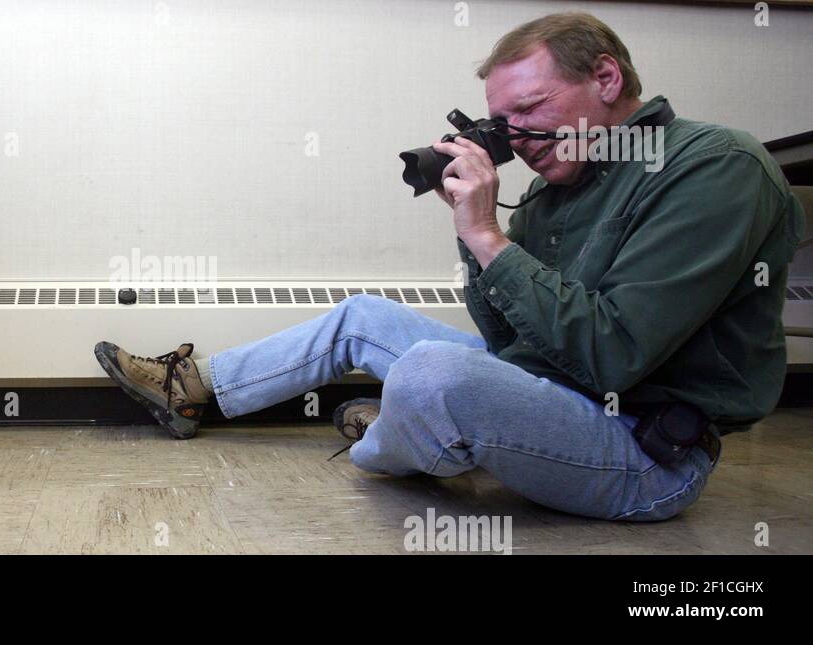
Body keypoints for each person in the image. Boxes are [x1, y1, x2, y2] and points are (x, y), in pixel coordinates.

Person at [94, 13, 805, 521]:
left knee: (435, 370)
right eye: (505, 122)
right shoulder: (562, 185)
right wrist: (470, 230)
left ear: (607, 78)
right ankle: (194, 388)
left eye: (532, 108)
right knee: (365, 316)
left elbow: (613, 355)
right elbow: (505, 344)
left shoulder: (715, 168)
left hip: (643, 454)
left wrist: (492, 236)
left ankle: (398, 439)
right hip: (553, 391)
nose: (518, 140)